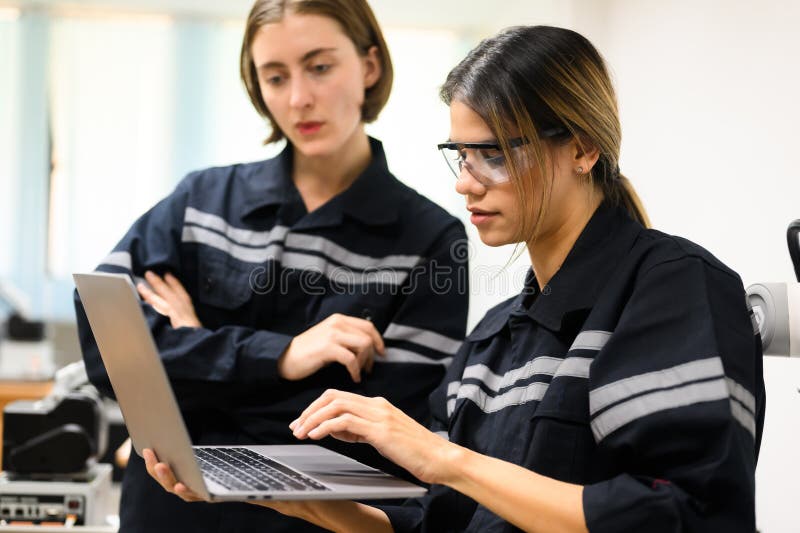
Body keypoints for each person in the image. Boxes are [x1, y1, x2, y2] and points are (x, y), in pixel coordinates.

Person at [145, 24, 766, 532]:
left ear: (581, 148)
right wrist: (293, 497)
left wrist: (445, 459)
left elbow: (685, 514)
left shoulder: (674, 288)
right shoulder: (493, 340)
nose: (465, 183)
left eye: (494, 154)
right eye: (461, 156)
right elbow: (434, 525)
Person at [73, 1, 468, 532]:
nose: (299, 97)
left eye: (320, 67)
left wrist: (194, 349)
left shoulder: (431, 241)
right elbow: (109, 349)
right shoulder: (200, 202)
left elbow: (385, 445)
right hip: (168, 515)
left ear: (369, 67)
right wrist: (281, 356)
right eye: (275, 77)